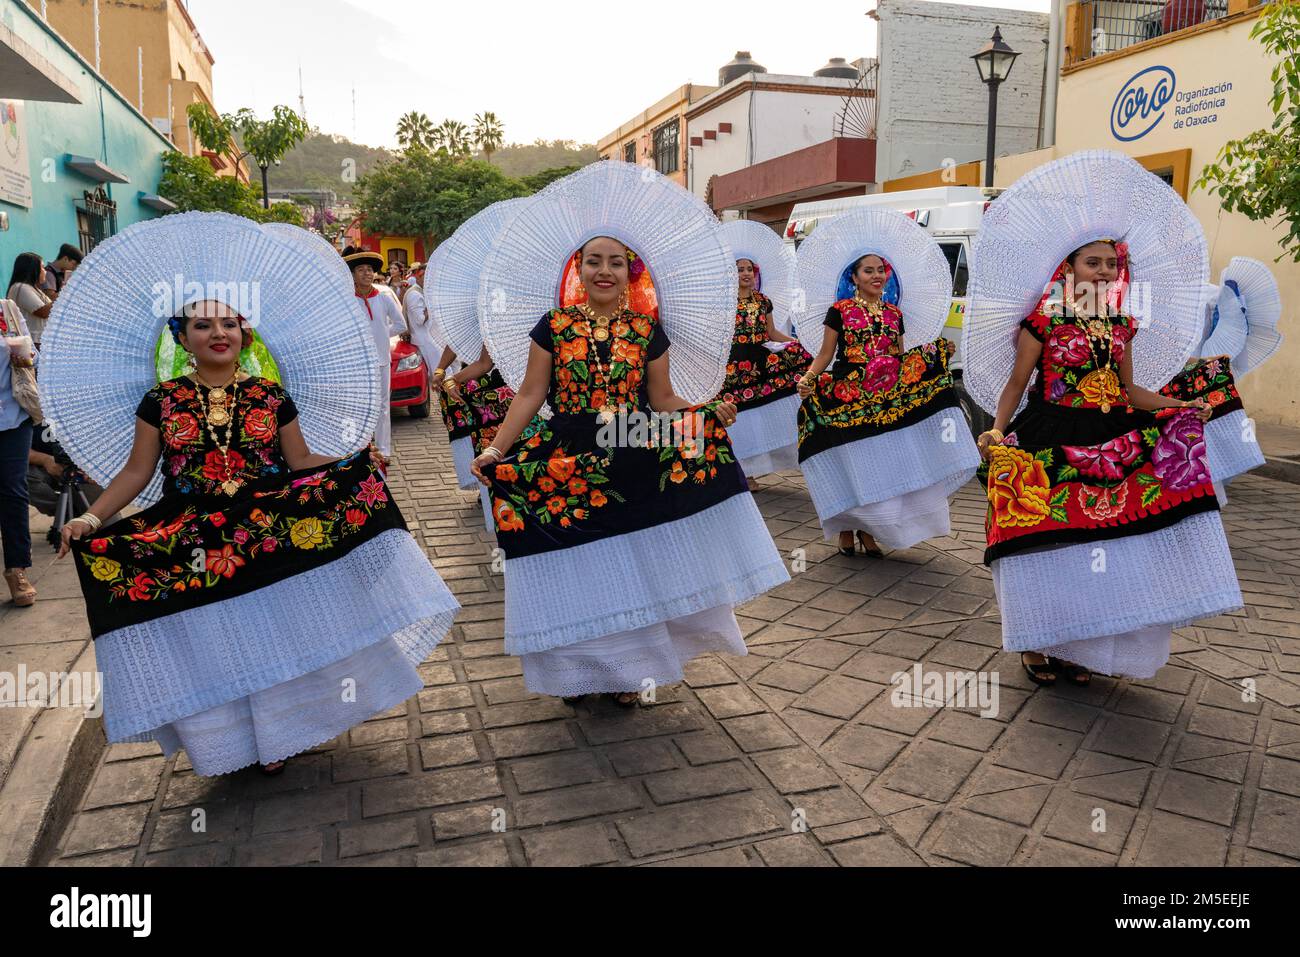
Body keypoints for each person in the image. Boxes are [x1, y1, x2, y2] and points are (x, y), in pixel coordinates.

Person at [46, 214, 459, 777]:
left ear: (246, 334)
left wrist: (354, 464)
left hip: (269, 526)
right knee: (223, 638)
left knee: (278, 633)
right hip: (198, 533)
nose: (219, 333)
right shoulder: (160, 401)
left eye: (230, 323)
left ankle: (282, 734)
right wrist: (91, 520)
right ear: (182, 338)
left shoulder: (270, 394)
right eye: (203, 325)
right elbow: (137, 474)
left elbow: (300, 461)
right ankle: (233, 743)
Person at [472, 163, 790, 706]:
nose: (604, 270)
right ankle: (580, 667)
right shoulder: (553, 326)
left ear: (630, 273)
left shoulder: (647, 330)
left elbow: (663, 400)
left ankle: (629, 671)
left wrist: (706, 411)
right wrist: (496, 448)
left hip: (635, 448)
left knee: (634, 561)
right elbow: (529, 395)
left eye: (615, 263)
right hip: (569, 457)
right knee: (578, 562)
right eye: (593, 261)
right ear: (577, 270)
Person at [963, 150, 1243, 685]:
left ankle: (1087, 645)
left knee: (1111, 545)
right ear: (1068, 268)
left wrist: (1181, 407)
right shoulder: (1042, 323)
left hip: (1112, 435)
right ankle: (1041, 641)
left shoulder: (1121, 326)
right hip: (1052, 435)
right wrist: (998, 428)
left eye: (1111, 263)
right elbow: (1018, 383)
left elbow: (1132, 392)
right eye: (1094, 262)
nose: (1105, 271)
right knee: (1050, 542)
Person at [794, 208, 980, 558]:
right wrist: (808, 379)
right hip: (849, 395)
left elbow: (900, 356)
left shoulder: (895, 314)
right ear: (855, 277)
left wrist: (936, 355)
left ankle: (870, 529)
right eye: (869, 270)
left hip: (886, 398)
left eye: (881, 270)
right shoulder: (840, 310)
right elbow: (825, 354)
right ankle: (847, 528)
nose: (877, 276)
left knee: (881, 463)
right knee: (855, 460)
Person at [715, 221, 811, 486]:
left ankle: (779, 455)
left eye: (749, 269)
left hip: (760, 361)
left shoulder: (762, 301)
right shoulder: (723, 302)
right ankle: (745, 473)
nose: (745, 273)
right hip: (732, 366)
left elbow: (772, 333)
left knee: (763, 414)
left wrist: (795, 344)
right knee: (741, 418)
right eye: (739, 269)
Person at [343, 247, 407, 461]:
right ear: (353, 275)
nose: (367, 273)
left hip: (381, 361)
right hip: (356, 364)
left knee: (382, 407)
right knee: (357, 405)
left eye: (369, 269)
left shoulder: (383, 298)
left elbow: (400, 325)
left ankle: (384, 451)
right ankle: (358, 449)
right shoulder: (347, 301)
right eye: (361, 270)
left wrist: (379, 335)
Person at [1, 297, 35, 606]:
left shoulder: (7, 310)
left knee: (13, 492)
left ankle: (17, 570)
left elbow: (31, 354)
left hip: (13, 415)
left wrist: (25, 355)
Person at [7, 253, 53, 347]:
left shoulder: (34, 288)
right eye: (42, 268)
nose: (45, 271)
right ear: (33, 270)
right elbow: (43, 312)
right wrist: (65, 293)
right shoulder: (20, 287)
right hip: (32, 343)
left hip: (40, 340)